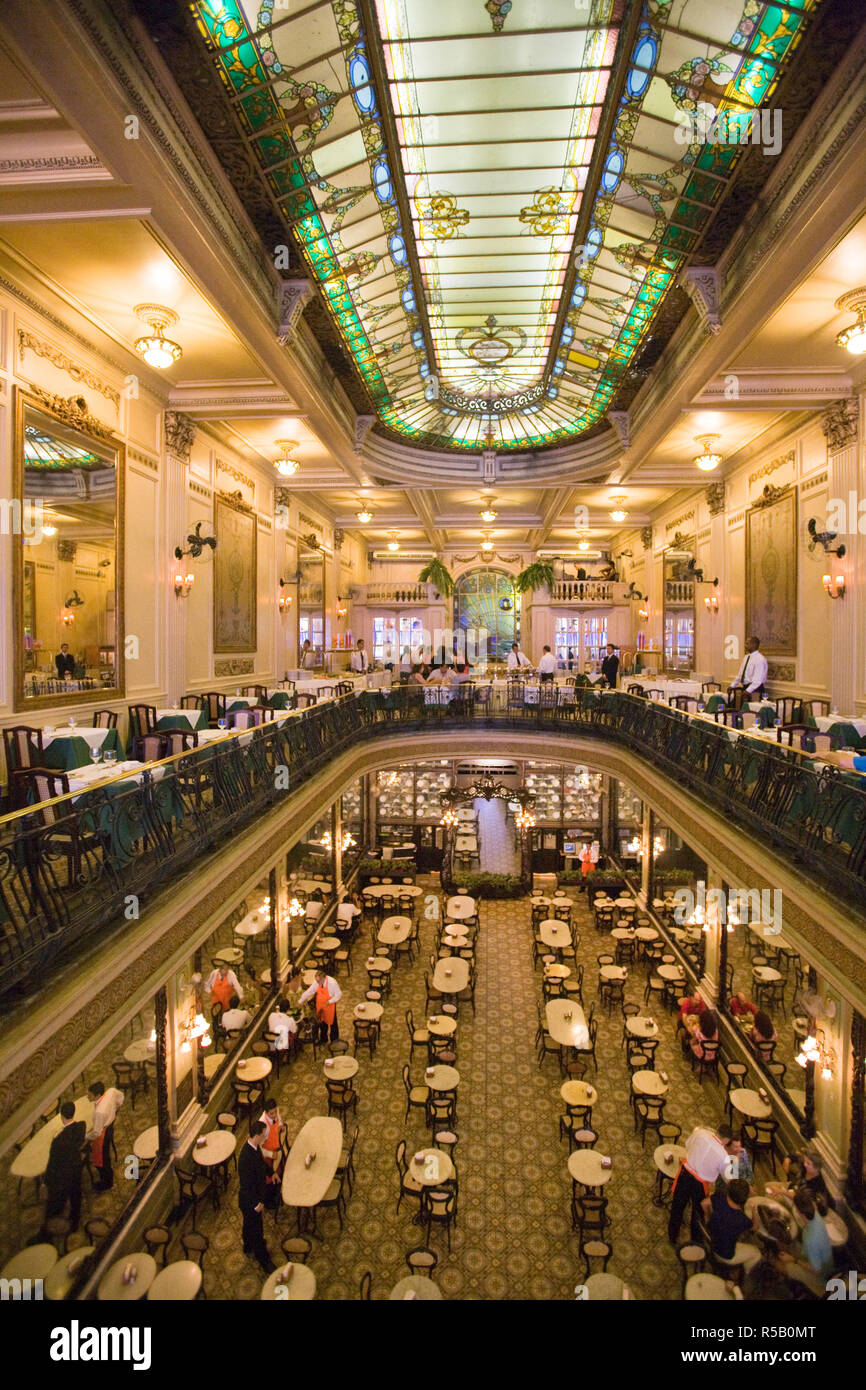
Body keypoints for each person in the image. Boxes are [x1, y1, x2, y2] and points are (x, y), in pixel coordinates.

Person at [668, 1122, 739, 1244]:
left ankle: (672, 1235)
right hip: (700, 1185)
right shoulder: (724, 1156)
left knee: (677, 1206)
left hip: (685, 1174)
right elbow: (727, 1177)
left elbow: (688, 1145)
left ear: (717, 1130)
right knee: (698, 1213)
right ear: (727, 1140)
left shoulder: (700, 1133)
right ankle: (695, 1241)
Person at [42, 1101, 86, 1235]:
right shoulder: (81, 1126)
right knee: (76, 1195)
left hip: (64, 1174)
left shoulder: (57, 1141)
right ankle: (75, 1220)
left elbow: (52, 1163)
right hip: (76, 1167)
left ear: (61, 1116)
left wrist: (46, 1181)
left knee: (55, 1201)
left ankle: (50, 1228)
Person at [238, 1121, 276, 1272]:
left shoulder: (255, 1147)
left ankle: (247, 1245)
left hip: (252, 1199)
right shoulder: (245, 1158)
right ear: (257, 1136)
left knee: (248, 1224)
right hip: (250, 1202)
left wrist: (271, 1173)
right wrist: (256, 1203)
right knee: (257, 1230)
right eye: (264, 1136)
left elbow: (261, 1163)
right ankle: (264, 1261)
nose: (265, 1138)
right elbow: (246, 1185)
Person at [703, 1178, 759, 1266]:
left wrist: (708, 1216)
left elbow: (704, 1204)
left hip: (712, 1236)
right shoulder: (741, 1219)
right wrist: (755, 1211)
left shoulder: (720, 1197)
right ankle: (744, 1273)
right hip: (724, 1254)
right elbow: (755, 1227)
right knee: (756, 1253)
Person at [85, 1081, 125, 1191]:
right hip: (110, 1125)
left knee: (102, 1160)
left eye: (90, 1095)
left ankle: (107, 1182)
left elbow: (96, 1133)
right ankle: (107, 1178)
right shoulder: (111, 1091)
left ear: (97, 1095)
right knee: (105, 1156)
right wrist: (115, 1109)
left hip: (103, 1133)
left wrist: (86, 1136)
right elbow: (121, 1097)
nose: (87, 1097)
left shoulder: (99, 1112)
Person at [790, 1189, 834, 1284]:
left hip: (820, 1275)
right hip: (827, 1261)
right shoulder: (815, 1212)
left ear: (800, 1213)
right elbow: (802, 1201)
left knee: (785, 1266)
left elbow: (816, 1270)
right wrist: (782, 1192)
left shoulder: (810, 1239)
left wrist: (794, 1260)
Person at [298, 968, 343, 1043]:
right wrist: (300, 1001)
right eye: (316, 981)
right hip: (320, 1005)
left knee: (333, 1023)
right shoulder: (317, 982)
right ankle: (323, 1039)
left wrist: (330, 1001)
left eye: (319, 981)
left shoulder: (332, 983)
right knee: (322, 1023)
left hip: (330, 1006)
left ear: (324, 978)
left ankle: (334, 1040)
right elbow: (309, 991)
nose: (317, 983)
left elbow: (339, 994)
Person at [258, 1099, 283, 1170]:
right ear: (266, 1112)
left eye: (275, 1112)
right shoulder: (262, 1124)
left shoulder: (275, 1110)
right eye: (271, 1114)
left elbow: (279, 1119)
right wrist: (270, 1154)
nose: (275, 1115)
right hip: (267, 1149)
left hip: (276, 1141)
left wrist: (280, 1125)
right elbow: (259, 1147)